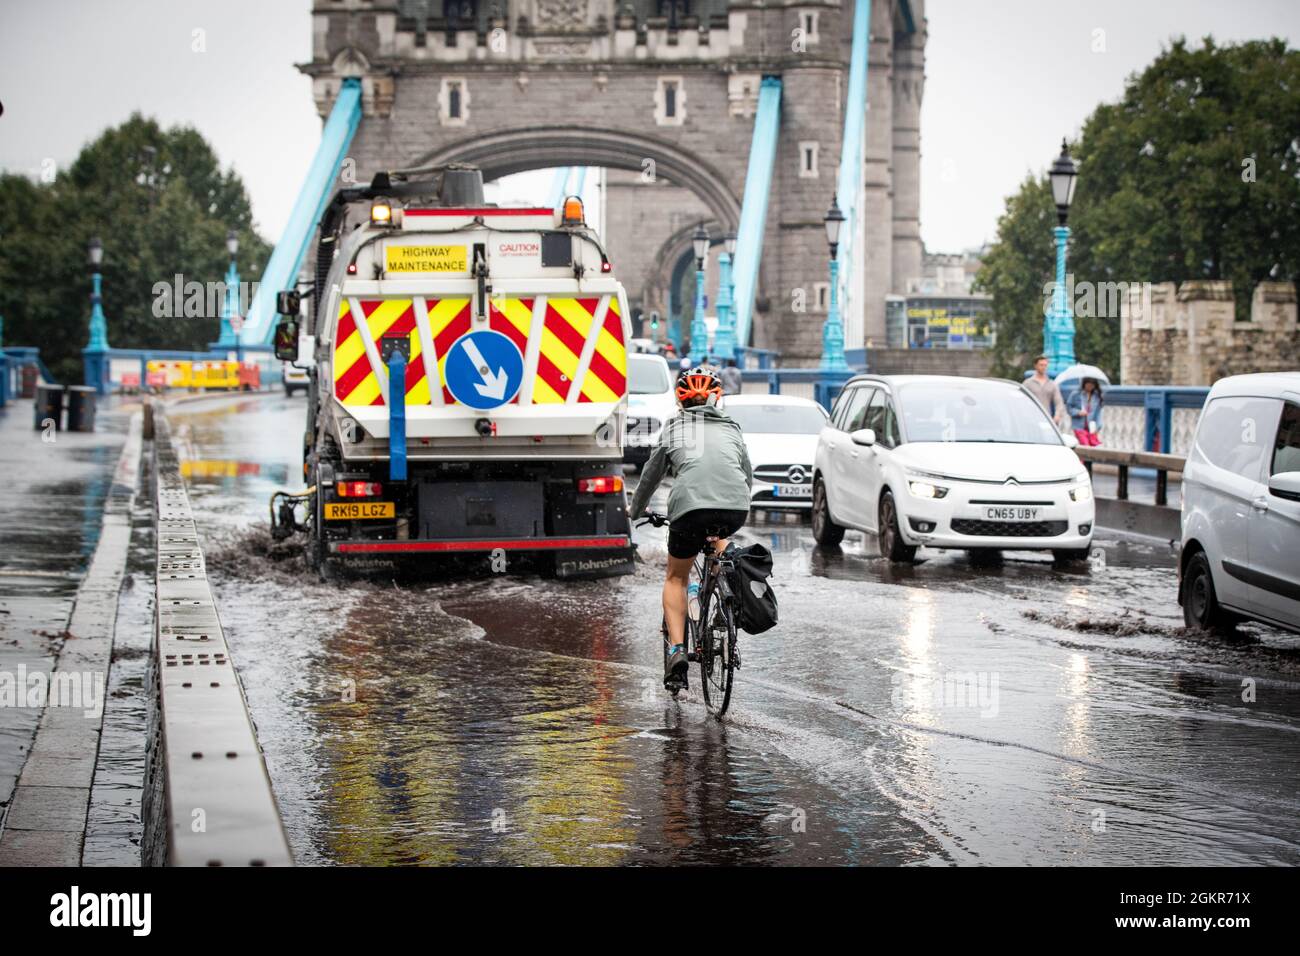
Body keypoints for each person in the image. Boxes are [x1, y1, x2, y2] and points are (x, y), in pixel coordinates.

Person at [628, 366, 753, 692]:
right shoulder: (732, 428)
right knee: (719, 543)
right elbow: (745, 476)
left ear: (680, 401)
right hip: (734, 508)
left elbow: (650, 476)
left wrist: (636, 510)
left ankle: (677, 650)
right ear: (716, 398)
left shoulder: (675, 428)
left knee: (676, 577)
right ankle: (724, 589)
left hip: (689, 511)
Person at [1024, 355, 1066, 427]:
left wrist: (1057, 415)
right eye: (1041, 365)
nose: (1043, 367)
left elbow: (1059, 402)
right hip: (1031, 419)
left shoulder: (1052, 384)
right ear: (1035, 366)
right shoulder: (1028, 383)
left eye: (1045, 365)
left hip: (1047, 418)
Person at [1067, 377, 1104, 446]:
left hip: (1091, 427)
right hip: (1079, 426)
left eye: (1092, 385)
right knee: (1085, 445)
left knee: (1094, 446)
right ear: (1084, 384)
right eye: (1088, 385)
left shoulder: (1096, 396)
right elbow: (1069, 408)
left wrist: (1098, 427)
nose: (1090, 387)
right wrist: (1078, 412)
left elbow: (1098, 413)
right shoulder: (1076, 394)